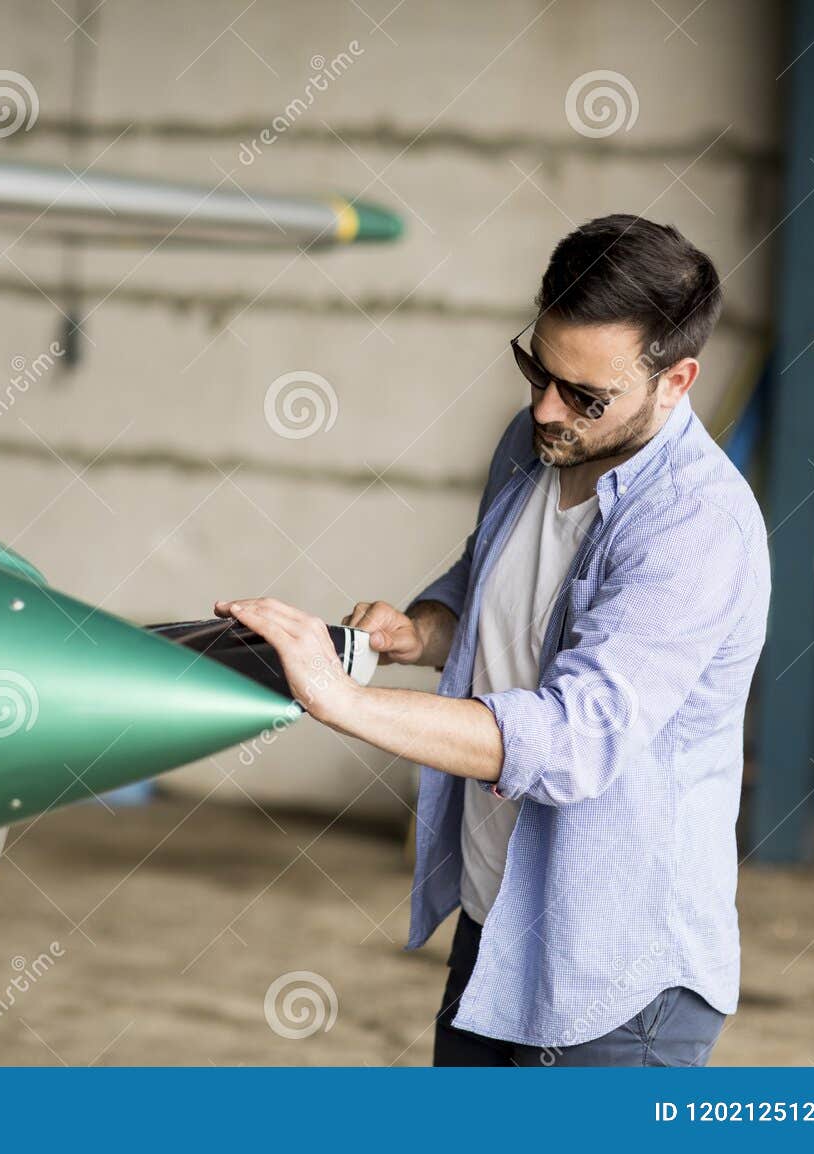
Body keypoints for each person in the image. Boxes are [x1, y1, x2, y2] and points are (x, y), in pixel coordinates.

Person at [217, 214, 770, 1066]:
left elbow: (573, 736)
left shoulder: (696, 530)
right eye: (536, 369)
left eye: (585, 395)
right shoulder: (536, 440)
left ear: (676, 379)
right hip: (503, 916)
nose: (545, 406)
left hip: (617, 975)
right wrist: (419, 631)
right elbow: (490, 586)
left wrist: (346, 700)